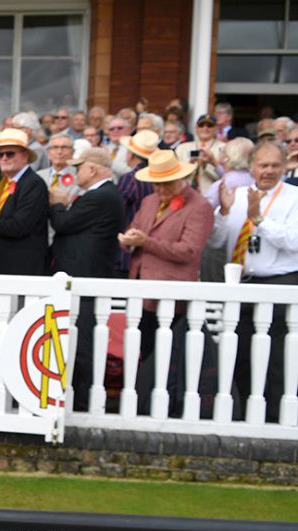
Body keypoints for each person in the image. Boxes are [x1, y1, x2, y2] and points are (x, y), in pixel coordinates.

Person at [206, 140, 298, 422]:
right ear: (252, 167)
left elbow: (294, 241)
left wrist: (259, 220)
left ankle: (273, 418)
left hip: (280, 283)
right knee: (240, 354)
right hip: (242, 281)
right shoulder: (237, 194)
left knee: (276, 359)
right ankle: (241, 416)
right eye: (263, 165)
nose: (268, 171)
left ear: (284, 167)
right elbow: (216, 241)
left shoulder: (294, 197)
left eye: (274, 165)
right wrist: (222, 213)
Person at [119, 149, 213, 417]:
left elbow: (189, 251)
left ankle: (162, 408)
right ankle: (143, 403)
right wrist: (127, 241)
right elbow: (135, 229)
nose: (160, 188)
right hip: (141, 289)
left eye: (166, 183)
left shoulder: (200, 207)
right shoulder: (148, 201)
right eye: (156, 182)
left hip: (172, 296)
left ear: (181, 178)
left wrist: (144, 242)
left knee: (166, 355)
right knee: (143, 350)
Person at [47, 147, 124, 410]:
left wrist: (57, 203)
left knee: (84, 347)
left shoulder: (101, 196)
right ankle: (78, 400)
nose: (75, 172)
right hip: (81, 278)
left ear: (92, 169)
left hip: (87, 279)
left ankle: (83, 402)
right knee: (77, 343)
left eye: (79, 167)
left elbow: (64, 224)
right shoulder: (101, 195)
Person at [0, 128, 50, 275]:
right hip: (4, 261)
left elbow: (19, 226)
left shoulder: (33, 184)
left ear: (25, 156)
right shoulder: (7, 182)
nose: (4, 158)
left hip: (21, 266)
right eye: (0, 155)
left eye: (10, 153)